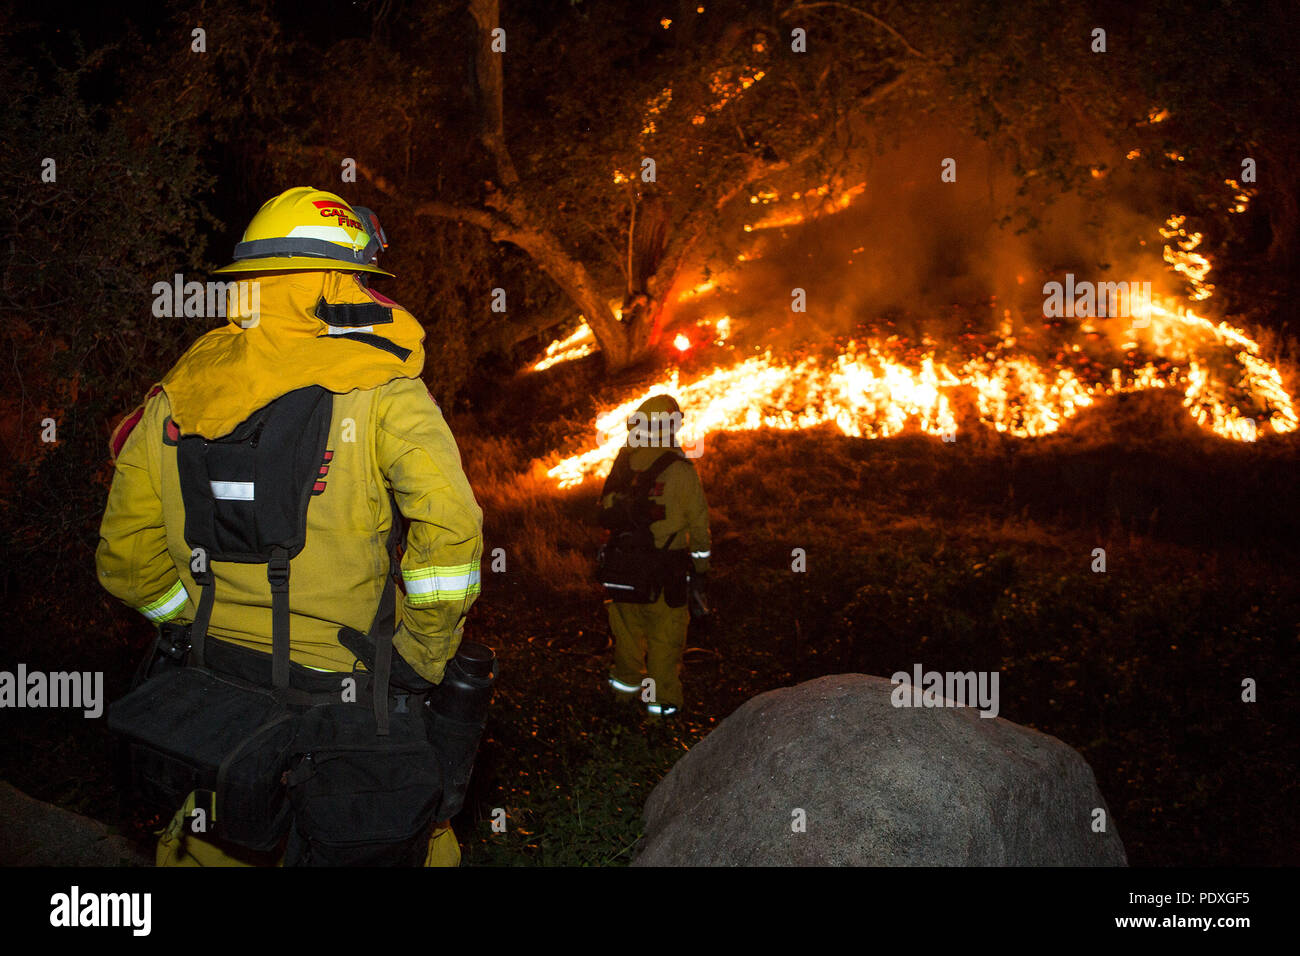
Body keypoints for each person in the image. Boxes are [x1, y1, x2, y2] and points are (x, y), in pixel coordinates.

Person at [96, 187, 483, 865]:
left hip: (213, 712)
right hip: (351, 701)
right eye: (359, 276)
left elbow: (125, 559)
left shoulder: (178, 394)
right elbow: (450, 533)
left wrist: (189, 622)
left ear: (249, 281)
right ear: (339, 282)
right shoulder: (385, 388)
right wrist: (422, 655)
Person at [597, 394, 711, 717]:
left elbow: (604, 511)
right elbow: (700, 527)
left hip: (623, 574)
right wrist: (702, 568)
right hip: (666, 577)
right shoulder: (681, 471)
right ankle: (660, 716)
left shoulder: (623, 464)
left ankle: (622, 703)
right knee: (664, 641)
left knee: (627, 638)